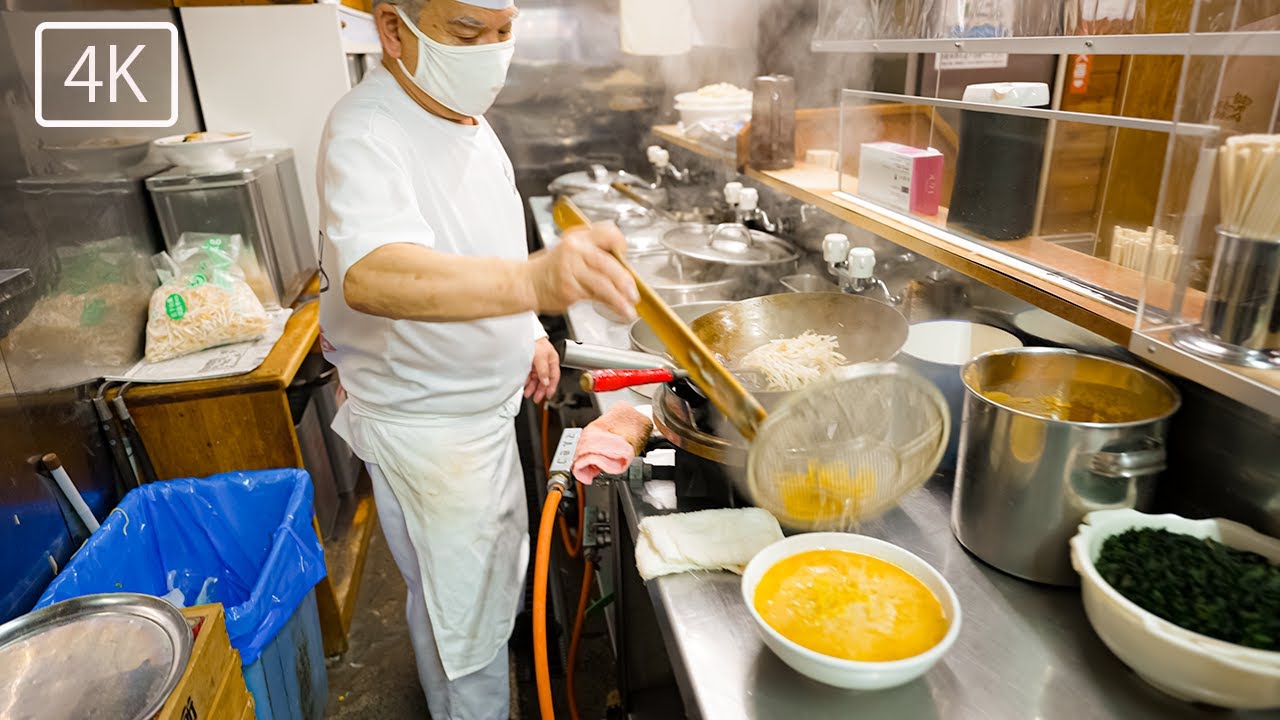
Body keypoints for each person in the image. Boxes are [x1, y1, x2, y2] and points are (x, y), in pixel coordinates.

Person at [316, 0, 638, 717]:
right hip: (436, 434)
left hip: (478, 415)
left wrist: (524, 328)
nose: (490, 53)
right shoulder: (369, 130)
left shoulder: (461, 115)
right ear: (395, 30)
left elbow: (475, 243)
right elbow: (374, 274)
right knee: (473, 635)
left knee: (462, 606)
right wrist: (531, 282)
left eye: (502, 33)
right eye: (466, 33)